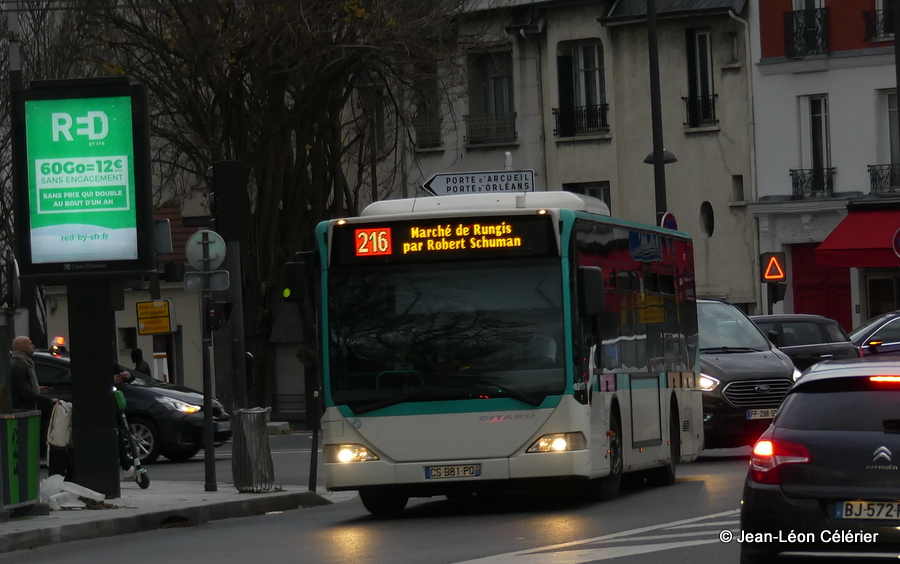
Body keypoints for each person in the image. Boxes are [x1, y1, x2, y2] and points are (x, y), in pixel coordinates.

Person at [11, 335, 58, 411]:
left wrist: (37, 389)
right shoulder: (19, 366)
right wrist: (49, 400)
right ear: (23, 348)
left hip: (23, 408)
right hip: (22, 410)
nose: (33, 346)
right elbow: (26, 392)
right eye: (30, 344)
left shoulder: (23, 363)